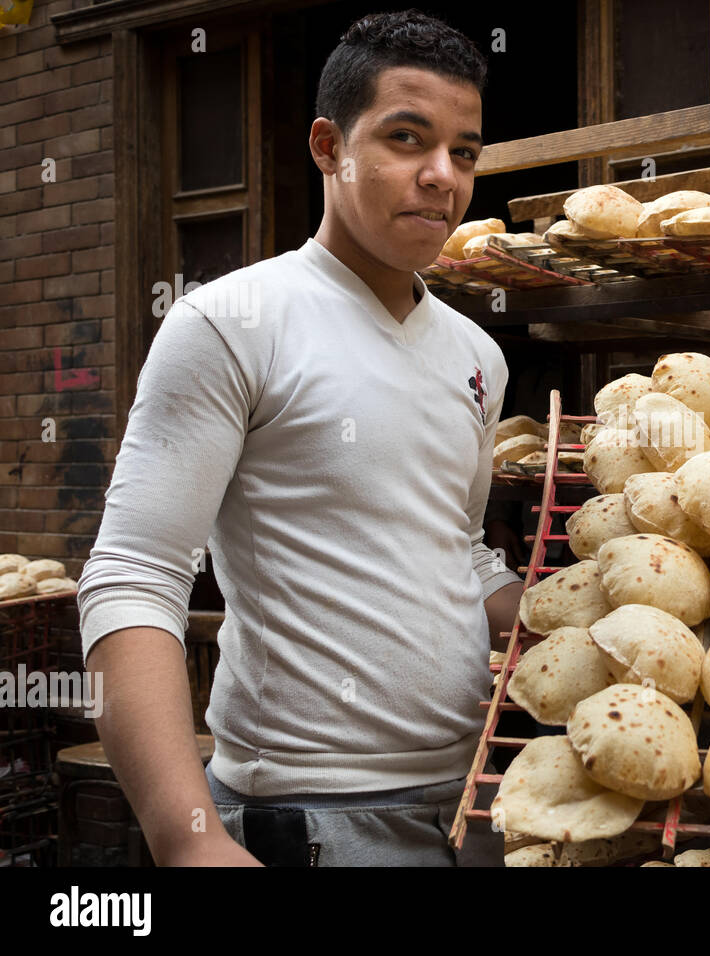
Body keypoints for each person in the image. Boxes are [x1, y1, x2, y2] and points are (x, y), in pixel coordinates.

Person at [77, 10, 522, 866]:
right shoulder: (233, 323)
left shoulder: (478, 355)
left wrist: (560, 621)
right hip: (317, 820)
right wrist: (187, 837)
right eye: (406, 138)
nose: (441, 176)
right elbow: (134, 575)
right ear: (328, 146)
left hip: (482, 801)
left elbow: (458, 550)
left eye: (464, 151)